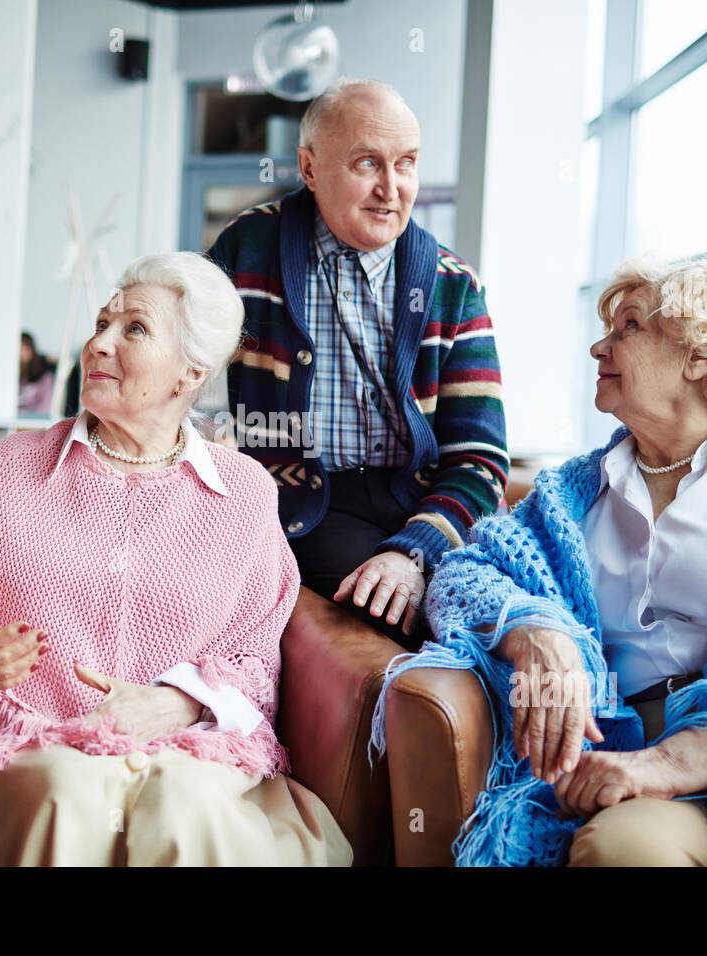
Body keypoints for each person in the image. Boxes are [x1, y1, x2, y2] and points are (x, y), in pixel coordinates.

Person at [374, 258, 707, 866]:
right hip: (634, 760)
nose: (598, 345)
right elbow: (465, 572)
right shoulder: (572, 492)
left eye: (628, 326)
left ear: (701, 356)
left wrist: (672, 763)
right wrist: (535, 631)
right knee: (620, 851)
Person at [0, 252, 351, 866]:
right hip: (34, 740)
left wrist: (182, 701)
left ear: (190, 373)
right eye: (101, 324)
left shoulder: (244, 492)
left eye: (133, 329)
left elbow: (255, 651)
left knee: (187, 804)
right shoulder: (11, 469)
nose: (99, 345)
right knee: (69, 790)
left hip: (187, 749)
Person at [207, 79, 509, 648]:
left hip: (418, 504)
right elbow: (182, 369)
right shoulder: (245, 249)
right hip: (297, 500)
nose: (390, 189)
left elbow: (479, 459)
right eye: (368, 163)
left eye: (407, 164)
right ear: (310, 167)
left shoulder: (452, 285)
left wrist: (416, 549)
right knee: (410, 625)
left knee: (512, 620)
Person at [18, 331, 55, 417]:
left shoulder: (46, 378)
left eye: (23, 349)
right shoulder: (14, 378)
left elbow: (45, 408)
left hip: (35, 424)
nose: (20, 354)